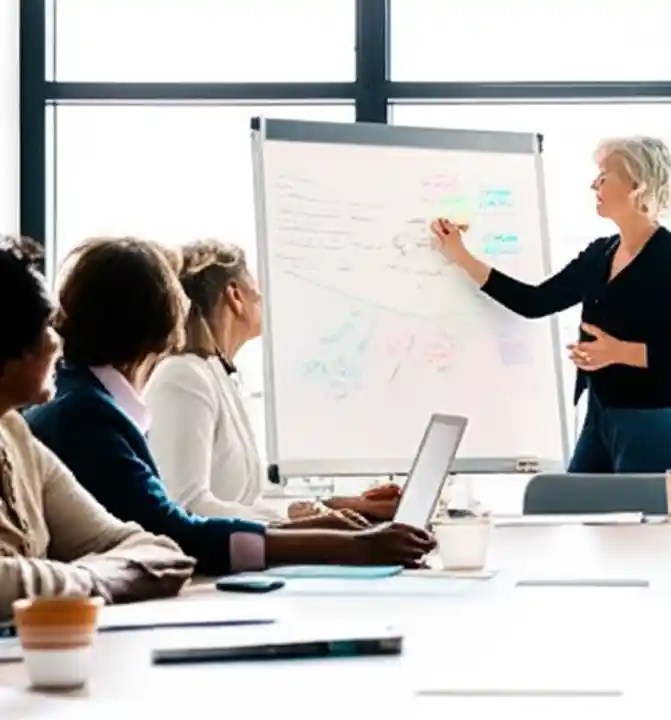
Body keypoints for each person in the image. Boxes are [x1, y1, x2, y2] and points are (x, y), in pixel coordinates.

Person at [24, 237, 436, 576]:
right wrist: (349, 546)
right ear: (161, 321)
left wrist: (337, 515)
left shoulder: (93, 404)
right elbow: (175, 530)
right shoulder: (86, 414)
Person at [429, 136, 671, 473]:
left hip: (657, 422)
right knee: (577, 515)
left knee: (646, 525)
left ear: (635, 184)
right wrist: (461, 256)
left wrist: (619, 351)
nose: (593, 184)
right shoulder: (600, 254)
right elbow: (534, 301)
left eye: (603, 176)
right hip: (601, 415)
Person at [0, 235, 193, 617]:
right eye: (45, 329)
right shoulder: (78, 414)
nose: (57, 344)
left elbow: (154, 549)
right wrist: (94, 580)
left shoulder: (17, 437)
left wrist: (81, 580)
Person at [143, 239, 401, 524]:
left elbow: (247, 501)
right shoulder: (182, 377)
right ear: (235, 296)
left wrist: (346, 505)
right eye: (258, 292)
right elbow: (188, 504)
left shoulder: (215, 372)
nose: (263, 301)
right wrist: (296, 524)